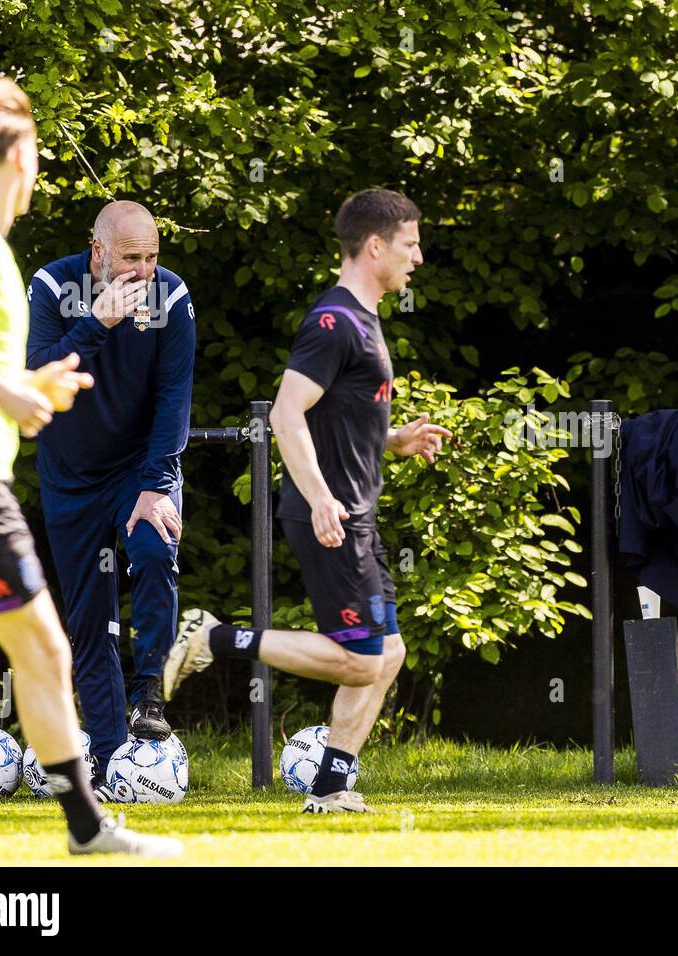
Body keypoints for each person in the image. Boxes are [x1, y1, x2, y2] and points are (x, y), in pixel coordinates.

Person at [0, 75, 179, 856]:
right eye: (36, 154)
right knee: (47, 651)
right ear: (19, 155)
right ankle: (88, 829)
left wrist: (29, 387)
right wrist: (9, 392)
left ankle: (87, 826)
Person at [162, 188, 450, 812]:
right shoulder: (334, 321)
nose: (418, 258)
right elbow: (286, 413)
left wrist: (396, 440)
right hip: (333, 514)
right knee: (360, 661)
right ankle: (212, 641)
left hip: (354, 514)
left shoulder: (364, 320)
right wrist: (320, 497)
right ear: (375, 247)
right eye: (410, 244)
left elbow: (339, 418)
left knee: (389, 651)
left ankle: (330, 787)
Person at [27, 200, 196, 793]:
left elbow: (175, 396)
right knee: (90, 618)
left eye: (152, 257)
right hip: (69, 476)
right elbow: (37, 376)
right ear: (98, 253)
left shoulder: (170, 297)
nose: (143, 271)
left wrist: (155, 485)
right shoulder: (52, 284)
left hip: (138, 468)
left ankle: (150, 694)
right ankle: (108, 758)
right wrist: (96, 323)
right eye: (131, 258)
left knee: (154, 549)